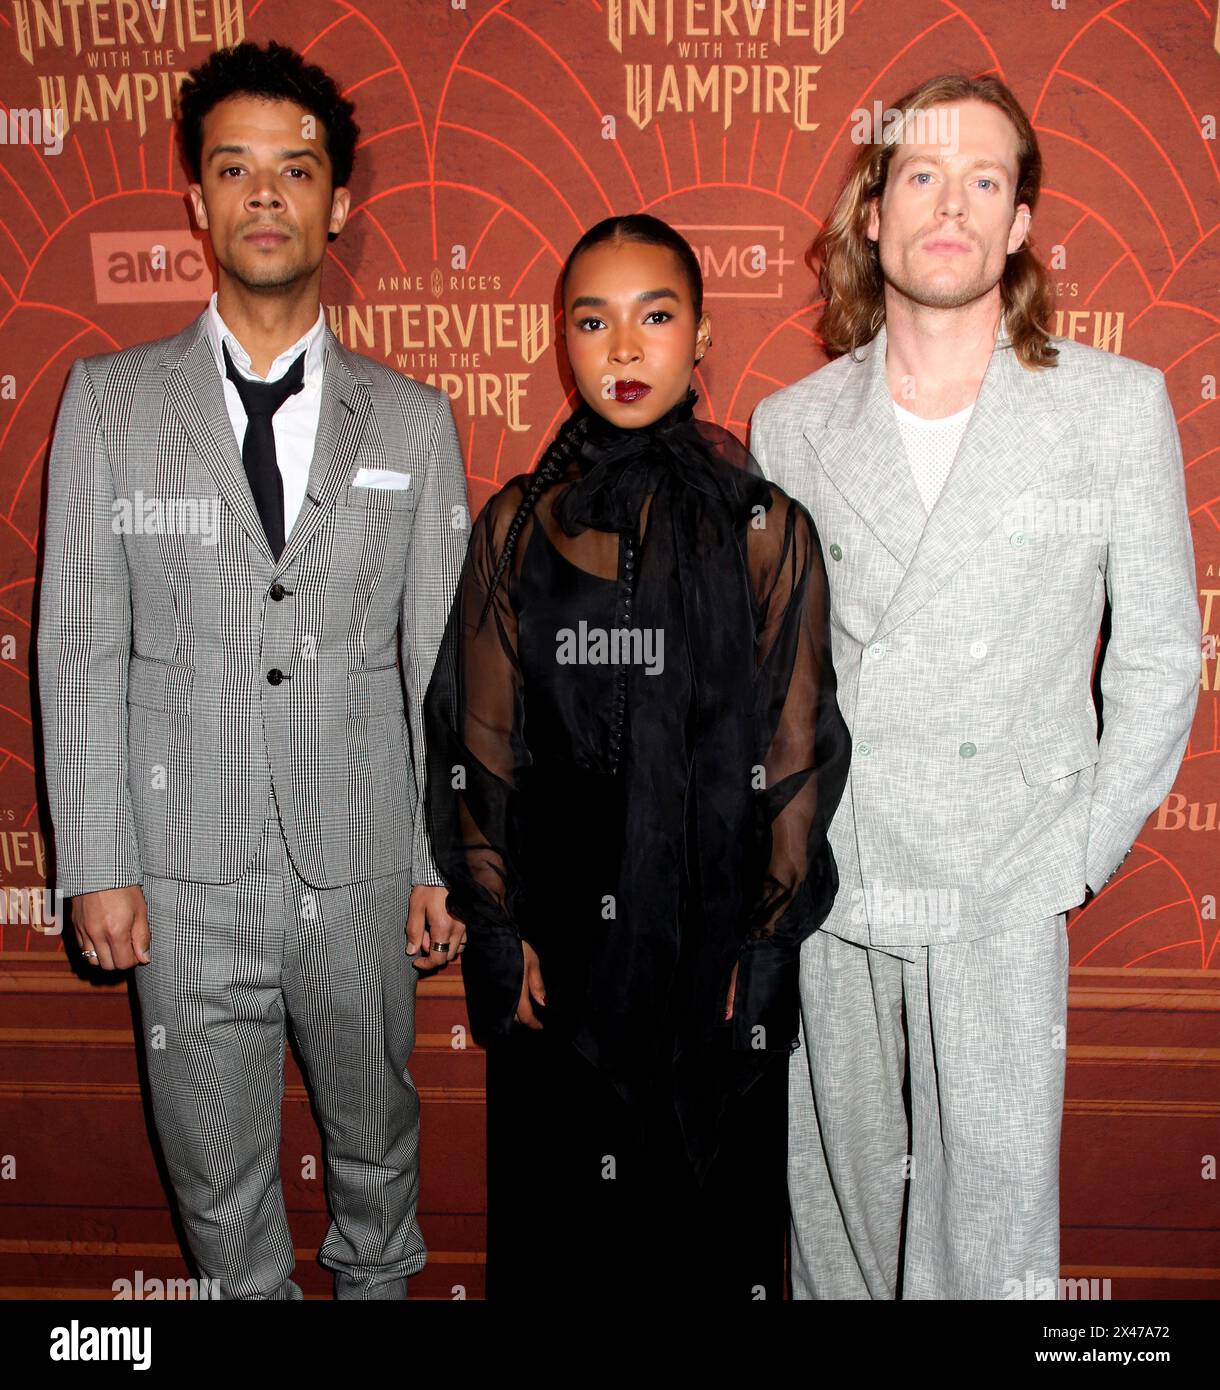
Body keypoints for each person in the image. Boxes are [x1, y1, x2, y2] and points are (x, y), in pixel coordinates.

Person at [751, 73, 1201, 1299]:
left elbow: (1162, 654)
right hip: (838, 886)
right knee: (835, 1225)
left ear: (1015, 227)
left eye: (983, 180)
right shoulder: (788, 424)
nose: (949, 205)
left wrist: (1076, 848)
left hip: (1005, 885)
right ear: (874, 210)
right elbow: (771, 673)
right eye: (919, 175)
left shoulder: (1111, 409)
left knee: (990, 1247)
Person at [37, 40, 469, 1300]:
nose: (267, 195)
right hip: (177, 872)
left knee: (379, 1157)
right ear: (198, 203)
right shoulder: (110, 405)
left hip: (362, 865)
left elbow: (440, 657)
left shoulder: (411, 419)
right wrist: (99, 860)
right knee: (216, 1179)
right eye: (237, 170)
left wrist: (441, 856)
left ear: (338, 204)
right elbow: (74, 641)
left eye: (298, 169)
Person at [423, 214, 850, 1300]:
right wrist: (499, 921)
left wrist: (759, 945)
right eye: (591, 319)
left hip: (709, 946)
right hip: (561, 945)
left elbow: (795, 752)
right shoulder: (517, 526)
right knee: (569, 1233)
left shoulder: (765, 527)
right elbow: (477, 739)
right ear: (561, 342)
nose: (622, 347)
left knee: (705, 1236)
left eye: (654, 316)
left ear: (700, 336)